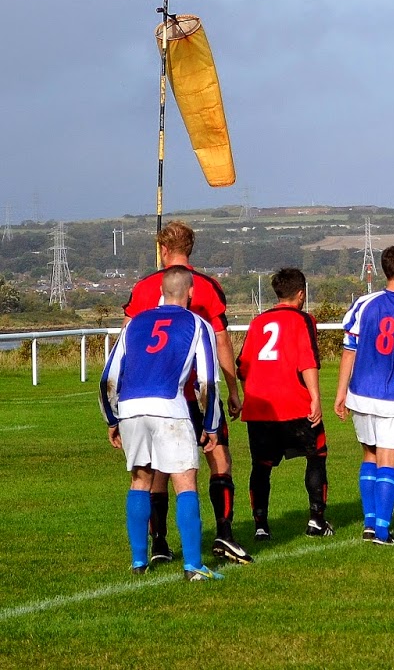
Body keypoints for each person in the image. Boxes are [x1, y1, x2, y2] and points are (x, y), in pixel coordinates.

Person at [121, 220, 250, 565]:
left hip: (149, 390)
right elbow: (219, 338)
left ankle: (159, 543)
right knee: (218, 458)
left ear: (163, 250)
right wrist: (233, 388)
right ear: (190, 250)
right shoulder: (205, 286)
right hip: (192, 391)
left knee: (153, 470)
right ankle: (223, 534)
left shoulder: (145, 286)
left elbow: (127, 341)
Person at [101, 266, 225, 581]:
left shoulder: (135, 324)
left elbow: (108, 377)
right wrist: (211, 425)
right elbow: (208, 379)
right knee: (185, 481)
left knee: (140, 479)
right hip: (169, 406)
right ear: (191, 292)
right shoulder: (197, 324)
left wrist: (112, 418)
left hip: (130, 407)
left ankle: (139, 562)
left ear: (161, 293)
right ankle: (194, 566)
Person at [334, 246, 394, 545]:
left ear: (382, 270)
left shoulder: (364, 304)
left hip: (361, 393)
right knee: (388, 461)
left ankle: (368, 523)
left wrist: (340, 394)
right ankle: (381, 531)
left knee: (369, 455)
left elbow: (348, 351)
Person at [236, 268, 332, 541]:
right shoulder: (303, 320)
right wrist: (315, 398)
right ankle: (316, 520)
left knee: (261, 466)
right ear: (300, 294)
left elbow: (242, 366)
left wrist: (248, 396)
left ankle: (261, 526)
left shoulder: (257, 322)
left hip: (260, 408)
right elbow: (308, 361)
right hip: (295, 404)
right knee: (316, 455)